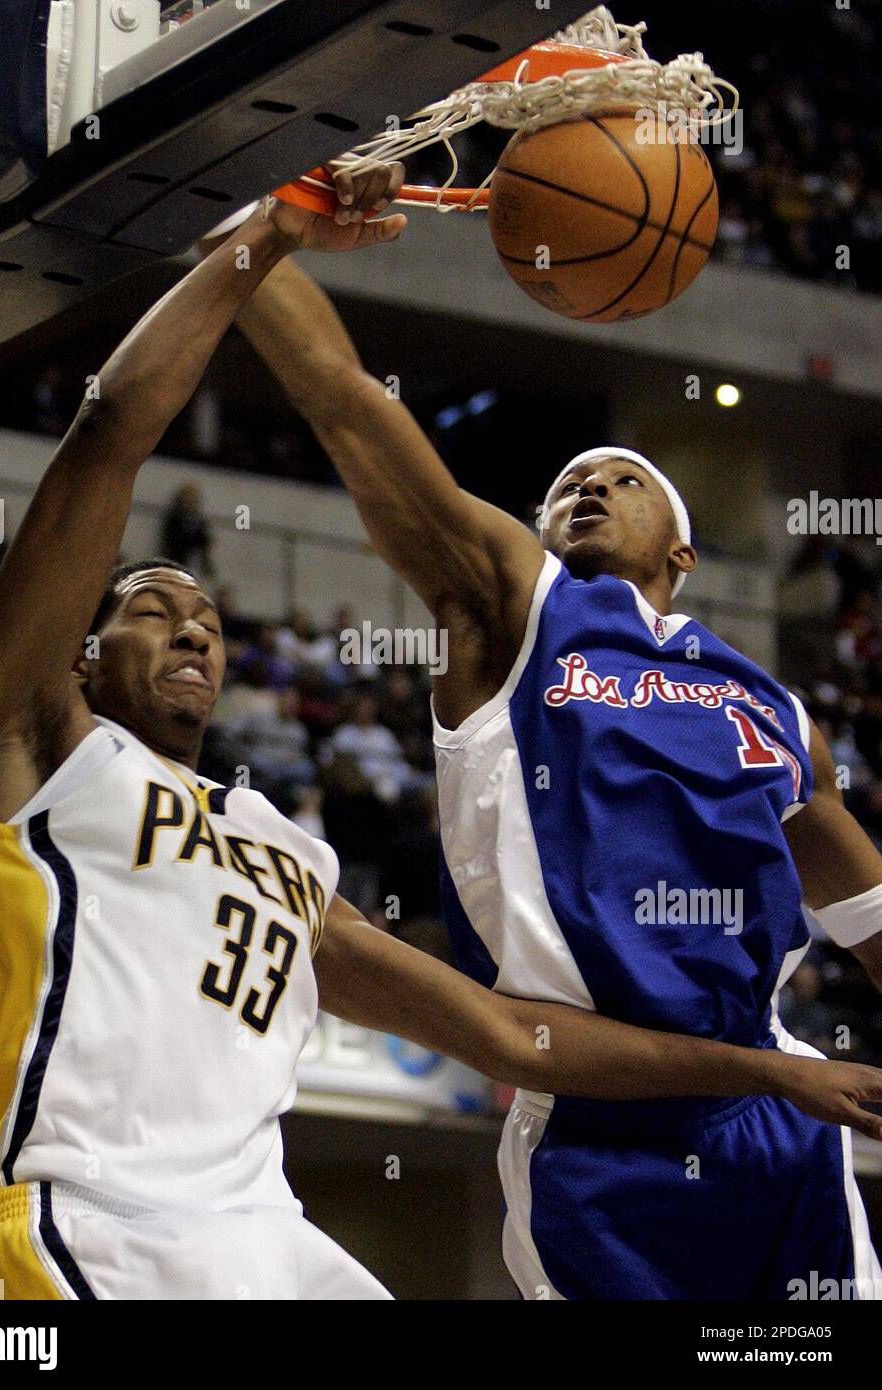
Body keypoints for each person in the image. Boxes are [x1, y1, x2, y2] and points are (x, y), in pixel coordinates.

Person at [0, 175, 880, 1304]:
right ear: (78, 657)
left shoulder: (290, 850)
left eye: (212, 618)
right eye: (152, 605)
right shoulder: (40, 749)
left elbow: (525, 1036)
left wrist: (767, 1068)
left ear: (684, 555)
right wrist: (253, 220)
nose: (193, 627)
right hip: (90, 1215)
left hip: (278, 1225)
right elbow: (168, 428)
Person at [229, 171, 882, 1300]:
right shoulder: (516, 614)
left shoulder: (772, 712)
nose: (586, 488)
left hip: (779, 1116)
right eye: (566, 484)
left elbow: (870, 915)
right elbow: (344, 400)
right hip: (595, 1125)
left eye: (620, 479)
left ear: (681, 552)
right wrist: (249, 221)